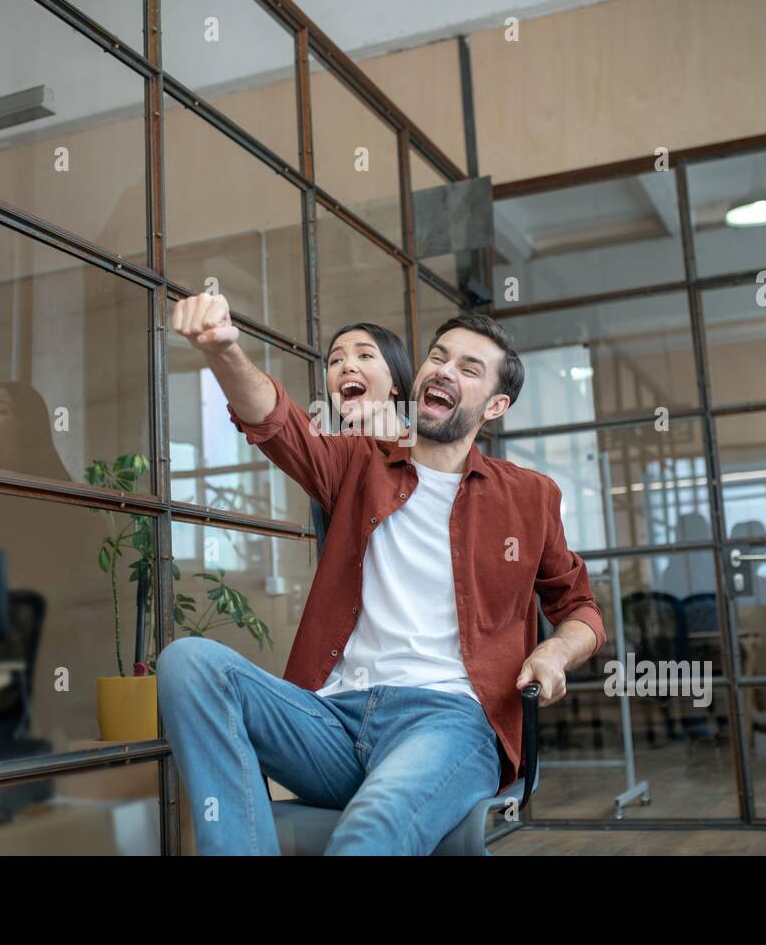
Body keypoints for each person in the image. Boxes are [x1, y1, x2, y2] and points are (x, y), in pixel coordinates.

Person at [158, 293, 605, 855]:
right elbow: (276, 422)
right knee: (190, 664)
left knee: (370, 832)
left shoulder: (529, 496)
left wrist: (555, 653)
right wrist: (223, 351)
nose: (444, 370)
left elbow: (579, 608)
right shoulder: (356, 461)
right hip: (331, 724)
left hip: (449, 723)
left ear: (494, 407)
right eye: (438, 356)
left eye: (468, 369)